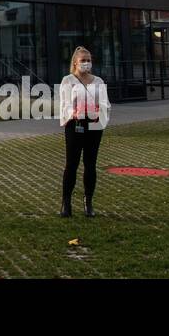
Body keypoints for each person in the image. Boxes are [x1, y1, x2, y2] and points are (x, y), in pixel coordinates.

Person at [58, 46, 111, 217]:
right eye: (83, 60)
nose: (86, 63)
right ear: (75, 62)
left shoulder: (98, 81)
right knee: (71, 164)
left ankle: (88, 202)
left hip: (94, 125)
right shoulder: (68, 81)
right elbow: (64, 103)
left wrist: (98, 109)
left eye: (89, 60)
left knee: (90, 164)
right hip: (75, 124)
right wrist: (71, 113)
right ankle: (66, 203)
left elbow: (106, 103)